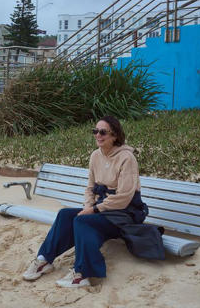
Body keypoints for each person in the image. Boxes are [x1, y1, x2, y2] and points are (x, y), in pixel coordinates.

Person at [22, 115, 164, 288]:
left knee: (83, 220)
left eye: (103, 132)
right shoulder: (95, 156)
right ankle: (44, 260)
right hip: (103, 209)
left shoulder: (127, 158)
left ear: (115, 136)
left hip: (124, 213)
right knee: (65, 215)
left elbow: (124, 197)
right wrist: (89, 205)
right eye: (95, 131)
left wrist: (95, 210)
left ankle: (82, 273)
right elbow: (90, 188)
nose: (98, 135)